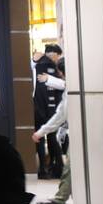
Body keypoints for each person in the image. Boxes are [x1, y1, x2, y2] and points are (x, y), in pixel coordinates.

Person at [34, 69, 72, 204]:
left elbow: (60, 116)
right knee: (71, 170)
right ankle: (59, 200)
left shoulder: (71, 91)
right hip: (86, 133)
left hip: (83, 135)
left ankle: (59, 201)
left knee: (70, 169)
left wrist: (41, 132)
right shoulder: (77, 86)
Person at [33, 45, 64, 179]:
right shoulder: (54, 67)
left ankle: (45, 169)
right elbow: (64, 84)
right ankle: (56, 167)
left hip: (39, 107)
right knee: (51, 138)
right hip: (52, 109)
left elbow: (65, 84)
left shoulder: (39, 66)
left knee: (43, 139)